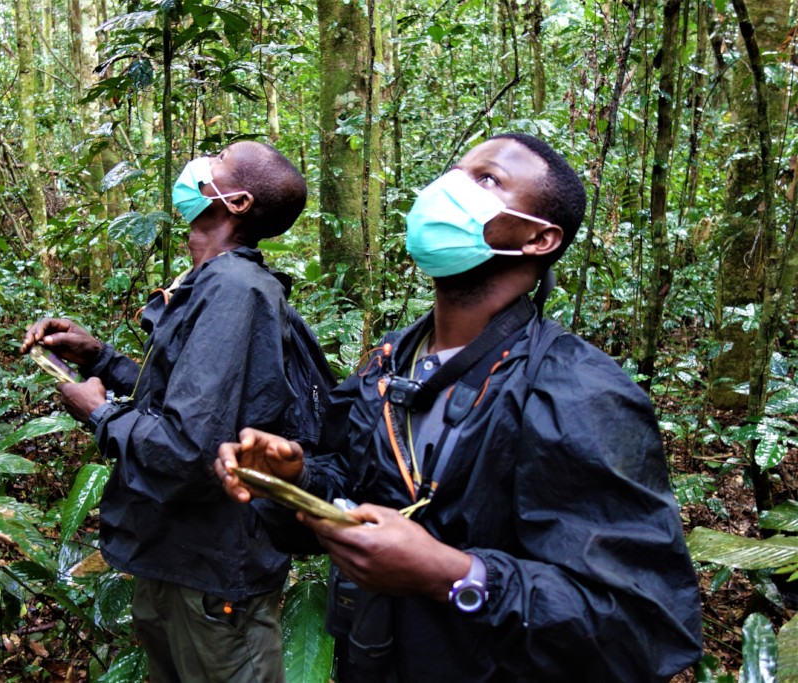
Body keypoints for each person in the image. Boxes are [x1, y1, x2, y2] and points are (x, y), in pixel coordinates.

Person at [216, 133, 704, 682]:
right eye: (457, 169)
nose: (449, 187)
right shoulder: (389, 361)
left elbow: (643, 624)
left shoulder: (578, 391)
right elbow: (353, 497)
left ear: (539, 239)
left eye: (487, 179)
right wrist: (294, 477)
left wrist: (453, 574)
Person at [22, 141, 320, 683]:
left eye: (220, 158)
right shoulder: (214, 283)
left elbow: (190, 448)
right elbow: (198, 404)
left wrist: (100, 414)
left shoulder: (234, 290)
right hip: (178, 560)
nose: (203, 161)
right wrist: (102, 360)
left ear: (236, 201)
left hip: (214, 575)